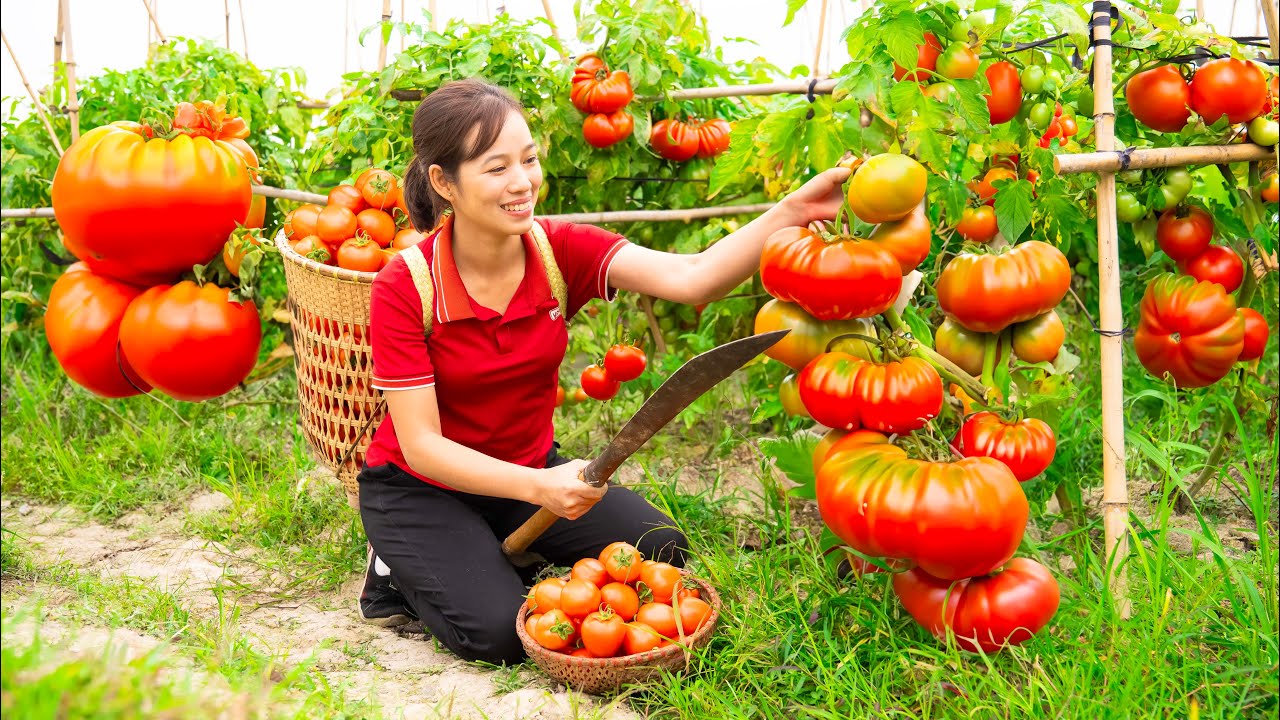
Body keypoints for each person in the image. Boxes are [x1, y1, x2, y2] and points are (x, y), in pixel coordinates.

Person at [356, 77, 851, 665]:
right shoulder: (406, 285)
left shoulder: (557, 250)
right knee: (498, 633)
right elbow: (423, 446)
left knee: (661, 546)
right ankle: (393, 568)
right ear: (444, 183)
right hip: (422, 488)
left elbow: (694, 277)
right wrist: (542, 489)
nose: (522, 183)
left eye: (529, 160)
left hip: (525, 467)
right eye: (496, 169)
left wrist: (794, 209)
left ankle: (486, 550)